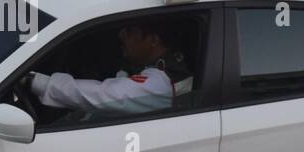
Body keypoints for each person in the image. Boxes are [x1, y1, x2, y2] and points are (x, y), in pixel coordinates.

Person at [21, 23, 192, 117]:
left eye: (130, 31)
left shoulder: (161, 83)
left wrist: (34, 81)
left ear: (153, 40)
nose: (121, 35)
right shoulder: (160, 64)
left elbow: (104, 95)